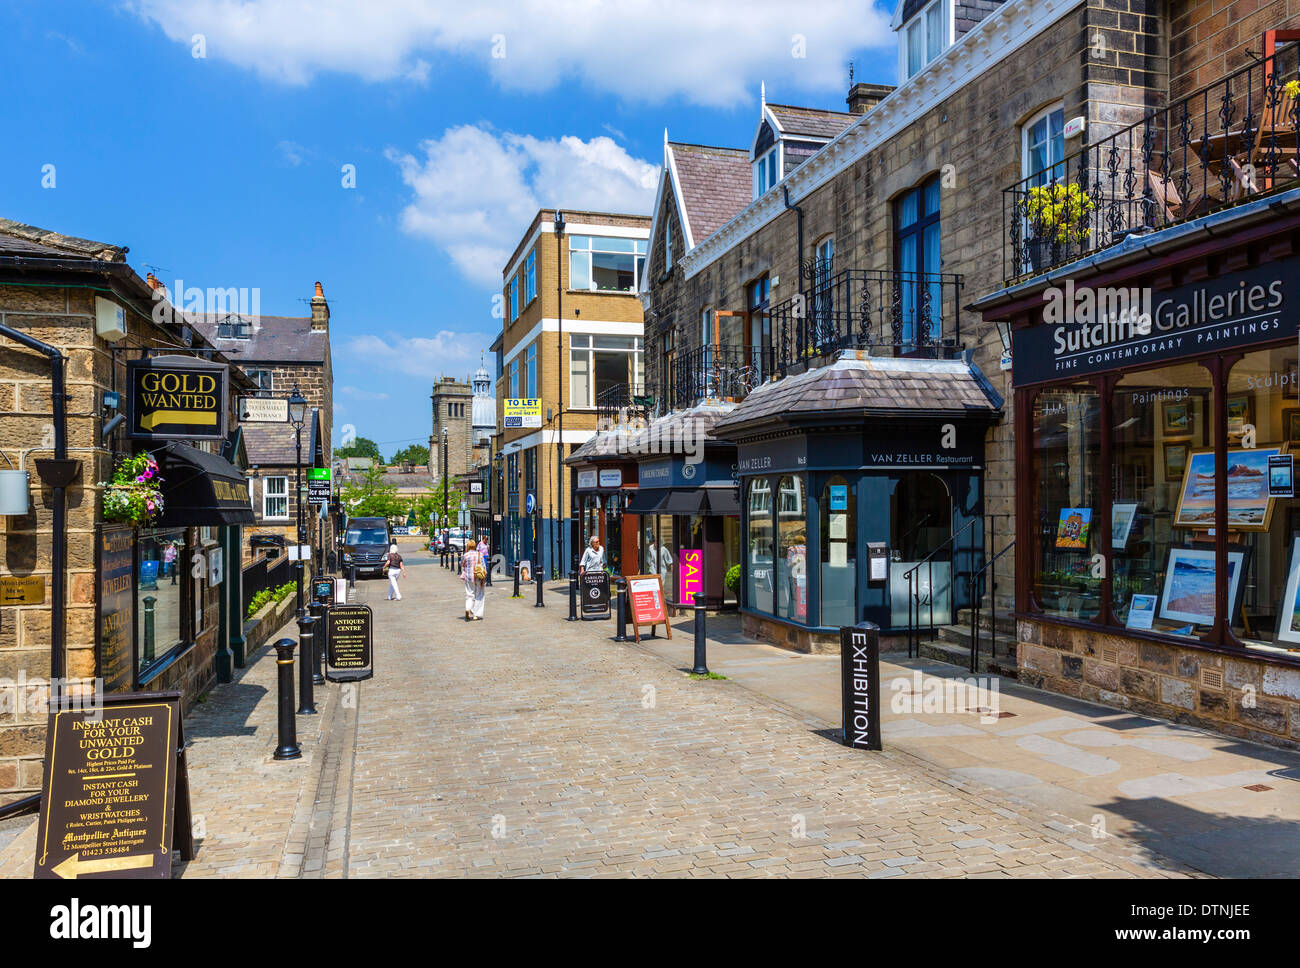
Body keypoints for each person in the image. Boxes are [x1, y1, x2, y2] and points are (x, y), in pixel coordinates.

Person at [462, 539, 488, 620]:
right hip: (479, 577)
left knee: (470, 594)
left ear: (468, 546)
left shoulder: (465, 555)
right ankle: (476, 615)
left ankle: (468, 608)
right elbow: (483, 566)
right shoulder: (480, 555)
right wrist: (484, 577)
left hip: (469, 577)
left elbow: (462, 564)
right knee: (479, 595)